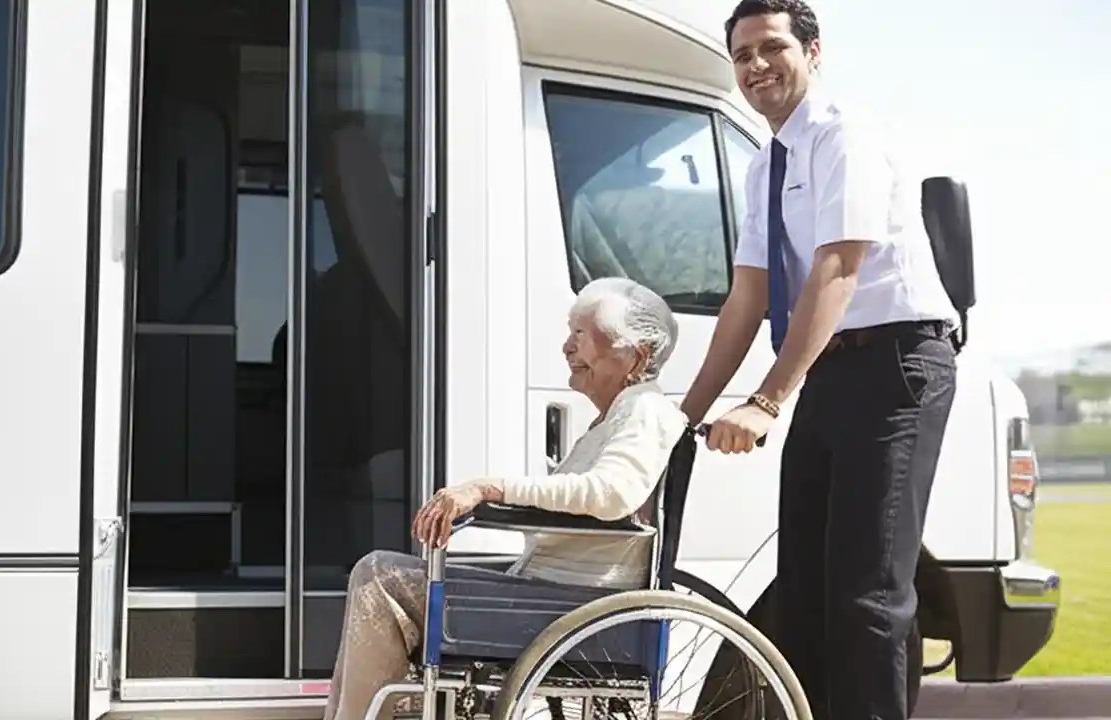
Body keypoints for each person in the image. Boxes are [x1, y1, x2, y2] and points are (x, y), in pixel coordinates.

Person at [680, 2, 961, 719]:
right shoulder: (764, 168)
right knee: (803, 592)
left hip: (898, 366)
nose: (757, 67)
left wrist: (767, 399)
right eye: (743, 56)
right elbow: (748, 298)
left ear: (813, 51)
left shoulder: (844, 134)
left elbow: (837, 268)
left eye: (772, 48)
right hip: (832, 373)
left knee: (867, 592)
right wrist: (678, 417)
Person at [324, 277, 686, 720]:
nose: (567, 348)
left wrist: (490, 488)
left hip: (575, 607)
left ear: (637, 355)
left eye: (582, 335)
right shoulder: (618, 415)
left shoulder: (645, 410)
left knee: (379, 576)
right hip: (554, 595)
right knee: (381, 575)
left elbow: (611, 495)